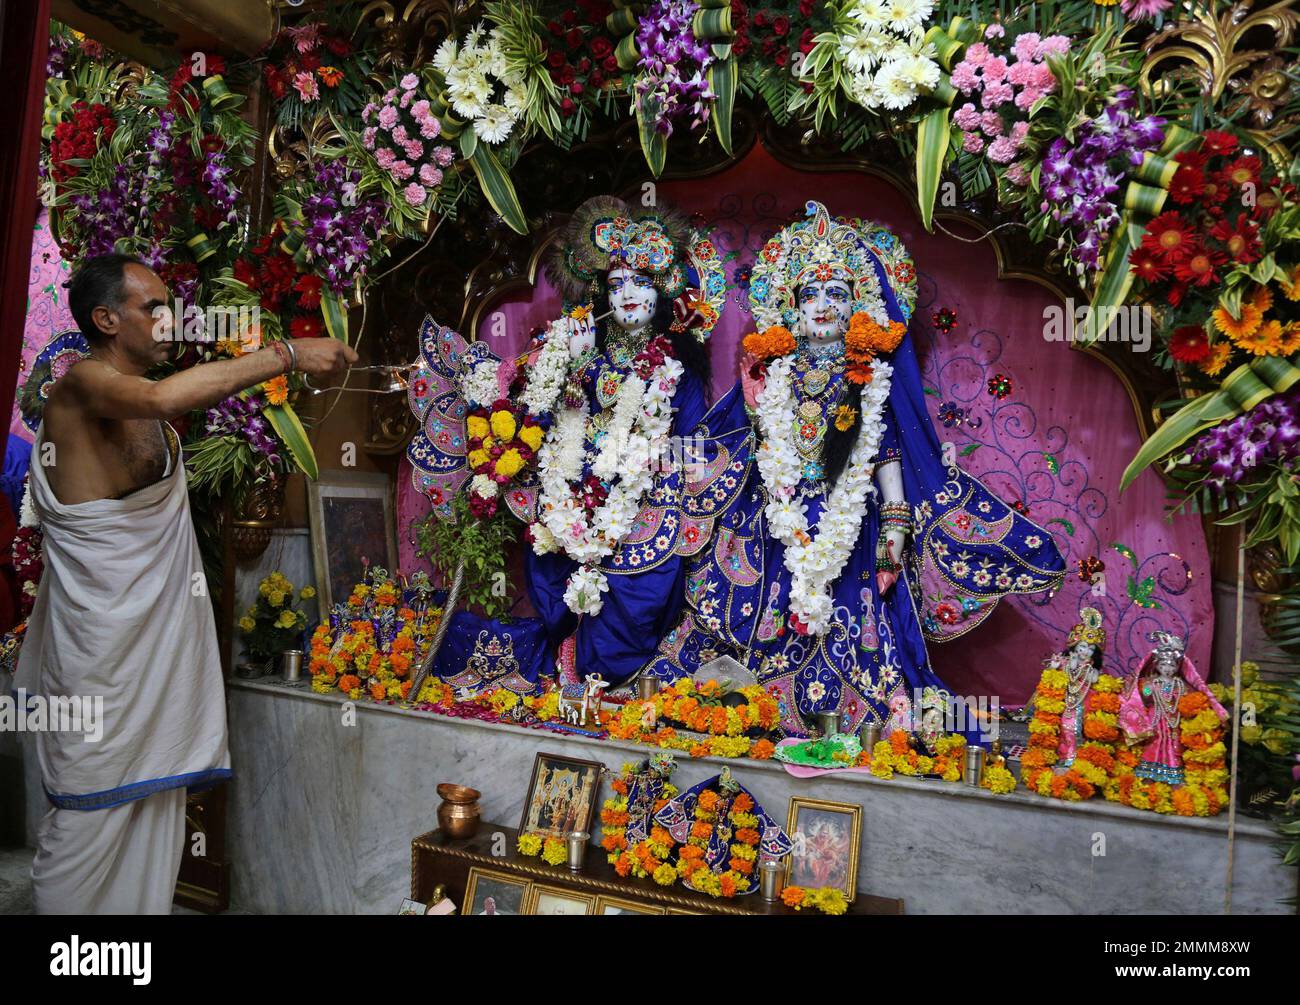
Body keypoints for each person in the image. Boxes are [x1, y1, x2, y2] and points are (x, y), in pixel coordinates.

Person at [643, 202, 1066, 738]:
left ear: (856, 308)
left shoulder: (870, 377)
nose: (822, 305)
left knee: (859, 620)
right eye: (810, 294)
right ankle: (765, 701)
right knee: (772, 611)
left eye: (837, 294)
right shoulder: (773, 376)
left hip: (853, 523)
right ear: (789, 310)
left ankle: (860, 709)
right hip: (783, 520)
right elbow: (743, 448)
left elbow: (886, 453)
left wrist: (893, 526)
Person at [15, 253, 355, 913]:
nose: (170, 320)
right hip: (100, 665)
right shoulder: (84, 385)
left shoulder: (143, 394)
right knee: (87, 827)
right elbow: (166, 397)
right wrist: (287, 352)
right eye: (153, 308)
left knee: (151, 818)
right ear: (106, 319)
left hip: (153, 659)